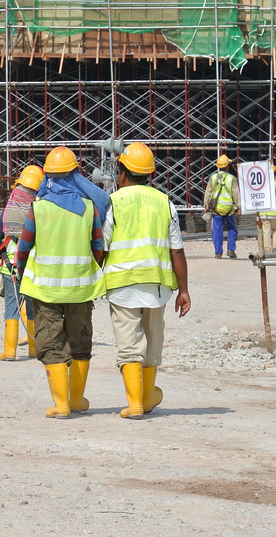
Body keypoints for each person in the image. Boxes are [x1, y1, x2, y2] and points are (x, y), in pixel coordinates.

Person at [16, 146, 110, 419]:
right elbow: (98, 247)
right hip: (80, 289)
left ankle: (61, 404)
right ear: (75, 175)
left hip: (46, 290)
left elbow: (23, 248)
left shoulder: (38, 209)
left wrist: (22, 272)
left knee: (51, 342)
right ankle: (77, 399)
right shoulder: (90, 209)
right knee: (79, 342)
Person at [102, 143, 191, 419]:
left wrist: (93, 281)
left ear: (123, 173)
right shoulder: (164, 202)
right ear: (149, 174)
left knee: (129, 344)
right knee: (153, 341)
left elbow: (101, 247)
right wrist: (184, 291)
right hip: (157, 287)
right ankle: (147, 396)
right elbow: (177, 250)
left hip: (122, 285)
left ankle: (136, 403)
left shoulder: (113, 202)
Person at [0, 165, 44, 361]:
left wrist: (4, 259)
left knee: (11, 307)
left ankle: (10, 351)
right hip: (30, 269)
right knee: (31, 307)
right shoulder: (38, 213)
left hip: (9, 268)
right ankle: (33, 349)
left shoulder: (6, 214)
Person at [203, 155, 240, 259]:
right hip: (229, 208)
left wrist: (206, 206)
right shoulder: (231, 179)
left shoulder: (213, 178)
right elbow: (236, 194)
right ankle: (231, 250)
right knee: (232, 229)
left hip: (216, 209)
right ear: (227, 166)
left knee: (217, 231)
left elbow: (208, 192)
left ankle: (218, 253)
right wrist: (239, 207)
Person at [257, 164, 276, 256]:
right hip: (275, 213)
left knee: (266, 231)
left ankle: (267, 249)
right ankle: (275, 247)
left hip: (263, 213)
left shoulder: (260, 185)